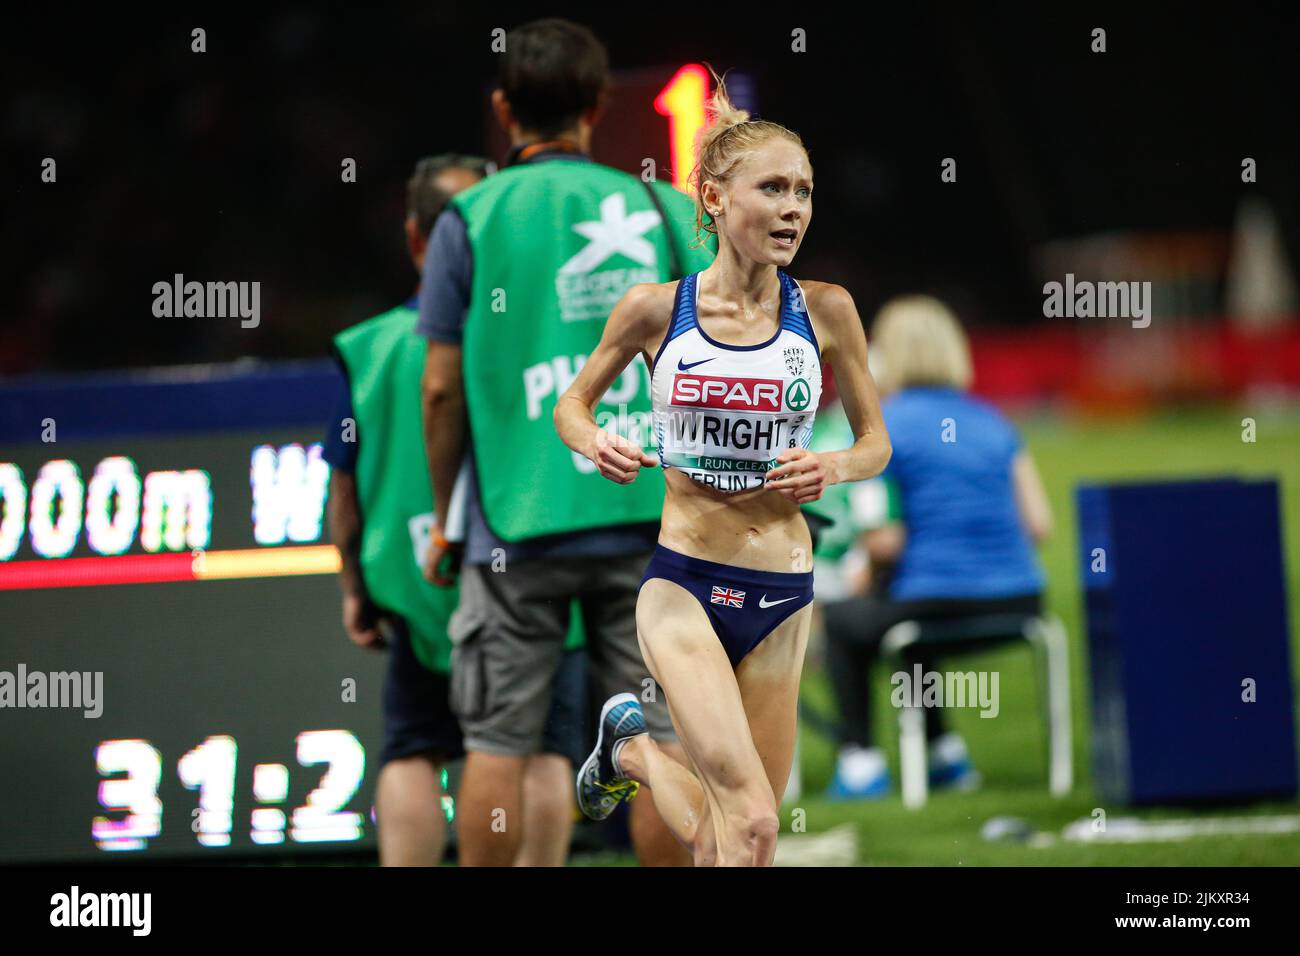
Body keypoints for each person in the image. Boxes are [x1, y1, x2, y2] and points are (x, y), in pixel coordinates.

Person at [555, 73, 892, 866]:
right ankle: (636, 752)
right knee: (754, 824)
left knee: (729, 839)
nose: (793, 209)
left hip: (783, 589)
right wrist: (592, 440)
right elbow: (571, 404)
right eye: (771, 188)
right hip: (683, 586)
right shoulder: (653, 308)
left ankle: (632, 754)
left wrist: (832, 467)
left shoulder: (828, 309)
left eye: (804, 192)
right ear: (711, 197)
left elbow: (876, 444)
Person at [417, 19, 713, 867]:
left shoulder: (466, 217)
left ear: (504, 108)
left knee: (498, 745)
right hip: (653, 521)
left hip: (515, 523)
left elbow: (440, 389)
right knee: (663, 737)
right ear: (596, 103)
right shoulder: (671, 208)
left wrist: (447, 518)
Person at [325, 154, 586, 866]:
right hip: (532, 571)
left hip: (418, 586)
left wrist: (356, 588)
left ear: (417, 237)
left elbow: (344, 490)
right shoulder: (535, 333)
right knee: (536, 749)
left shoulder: (370, 349)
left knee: (415, 747)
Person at [821, 294, 1053, 799]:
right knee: (905, 627)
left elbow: (884, 542)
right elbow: (1038, 524)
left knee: (847, 621)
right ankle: (944, 755)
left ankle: (861, 762)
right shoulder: (995, 421)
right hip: (1022, 601)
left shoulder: (882, 429)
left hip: (935, 603)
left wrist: (866, 567)